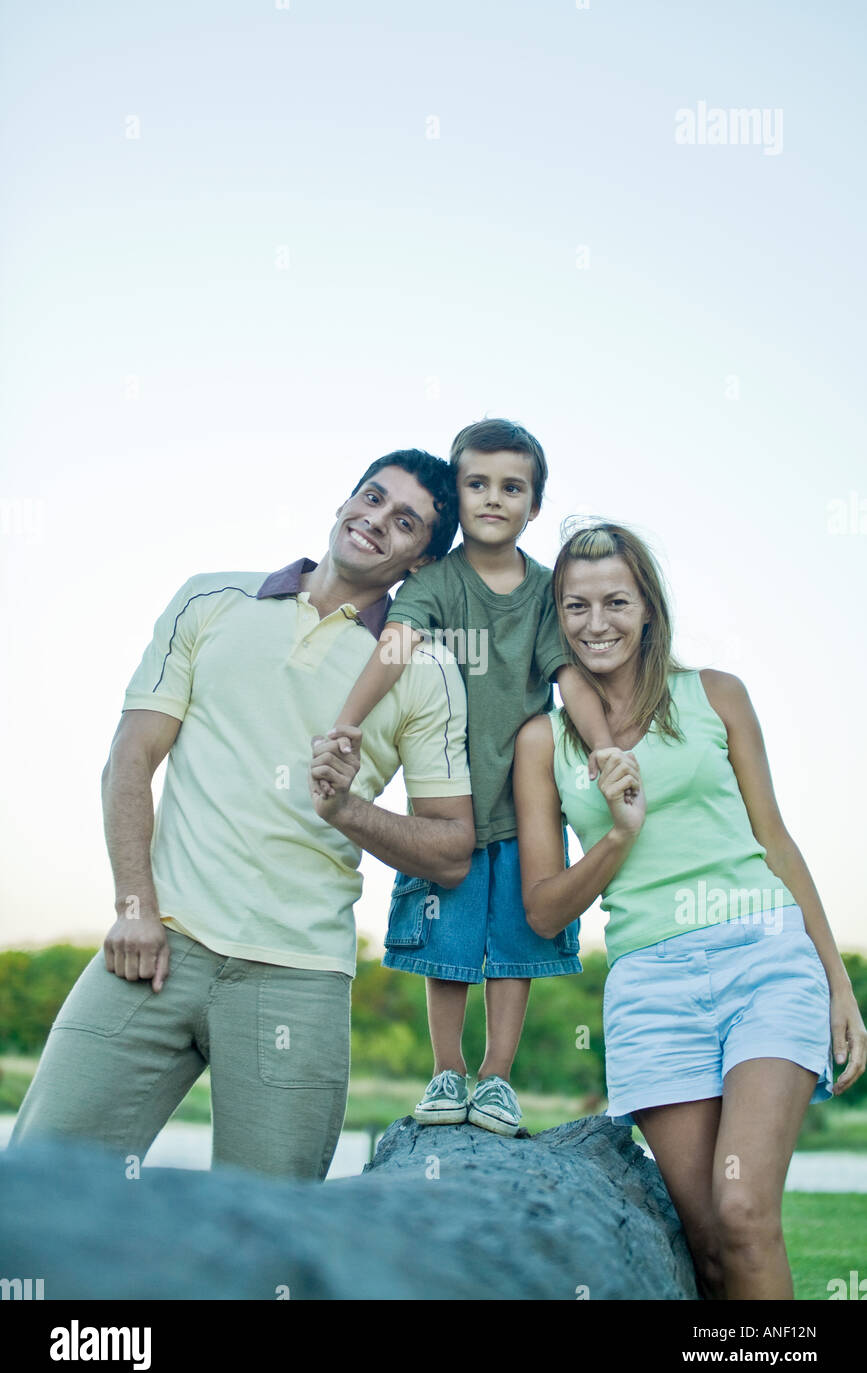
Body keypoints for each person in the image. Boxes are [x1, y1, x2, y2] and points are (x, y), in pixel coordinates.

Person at [11, 449, 476, 1180]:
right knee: (35, 1193)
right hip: (152, 949)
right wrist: (134, 905)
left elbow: (452, 851)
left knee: (267, 1249)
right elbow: (130, 759)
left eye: (404, 521)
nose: (374, 520)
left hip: (297, 979)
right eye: (371, 497)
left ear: (420, 562)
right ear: (344, 500)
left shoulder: (428, 673)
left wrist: (348, 808)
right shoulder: (210, 600)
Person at [513, 520, 866, 1299]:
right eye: (575, 606)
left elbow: (773, 838)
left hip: (764, 958)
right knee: (707, 1240)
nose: (595, 622)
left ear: (646, 609)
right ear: (556, 618)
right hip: (649, 986)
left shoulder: (713, 694)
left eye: (614, 601)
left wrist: (835, 982)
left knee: (743, 1212)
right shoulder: (543, 742)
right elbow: (542, 911)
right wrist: (616, 837)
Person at [321, 420, 615, 1138]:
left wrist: (604, 749)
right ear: (457, 492)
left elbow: (568, 679)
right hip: (442, 800)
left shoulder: (545, 592)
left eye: (510, 487)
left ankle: (495, 1078)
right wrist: (347, 723)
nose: (492, 499)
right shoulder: (436, 580)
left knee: (513, 944)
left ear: (533, 505)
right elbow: (396, 644)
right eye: (476, 484)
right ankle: (446, 1070)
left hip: (523, 803)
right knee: (446, 945)